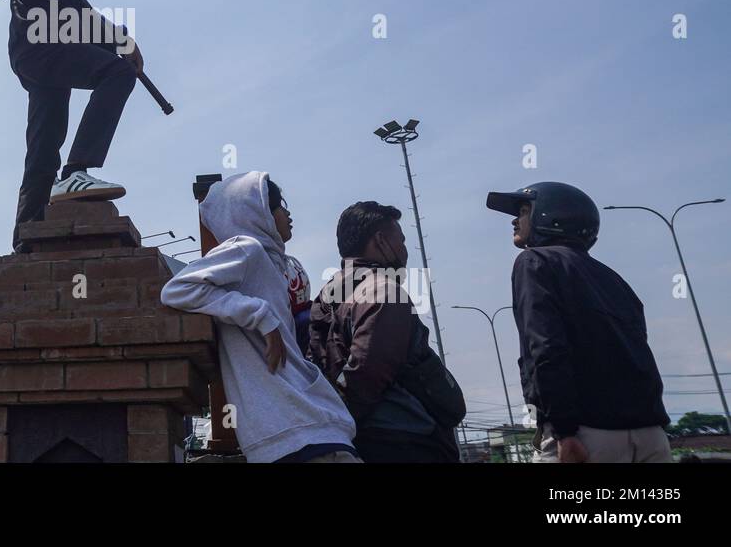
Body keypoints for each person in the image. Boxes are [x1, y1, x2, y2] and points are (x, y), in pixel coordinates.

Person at [160, 171, 359, 462]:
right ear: (259, 213)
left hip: (308, 424)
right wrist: (260, 315)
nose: (288, 214)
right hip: (292, 429)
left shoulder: (275, 266)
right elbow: (177, 290)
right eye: (279, 206)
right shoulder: (246, 248)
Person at [487, 182, 671, 463]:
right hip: (651, 434)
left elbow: (546, 348)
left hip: (586, 434)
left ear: (549, 217)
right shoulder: (613, 278)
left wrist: (564, 430)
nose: (514, 220)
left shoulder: (534, 261)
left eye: (524, 211)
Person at [8, 0, 142, 246]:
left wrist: (121, 40)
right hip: (39, 47)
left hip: (46, 55)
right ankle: (77, 170)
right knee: (116, 73)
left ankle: (27, 240)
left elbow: (80, 16)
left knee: (43, 149)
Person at [309, 201, 463, 462]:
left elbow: (315, 364)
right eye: (401, 240)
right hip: (406, 441)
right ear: (381, 241)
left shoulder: (325, 298)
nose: (404, 250)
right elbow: (366, 373)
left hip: (357, 440)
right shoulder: (384, 291)